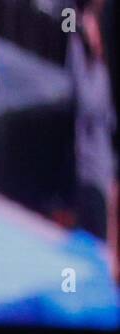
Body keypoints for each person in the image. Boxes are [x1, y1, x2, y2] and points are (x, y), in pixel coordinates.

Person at [68, 0, 119, 281]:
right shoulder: (78, 40)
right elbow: (84, 98)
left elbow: (98, 102)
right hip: (87, 155)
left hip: (105, 161)